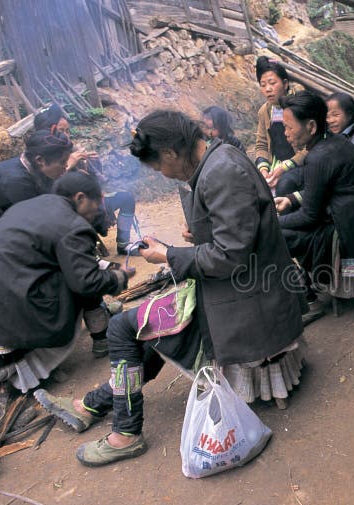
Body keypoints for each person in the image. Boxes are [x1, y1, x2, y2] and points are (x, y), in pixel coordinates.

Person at [35, 110, 306, 466]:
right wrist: (198, 237)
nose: (162, 174)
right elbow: (241, 231)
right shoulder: (219, 159)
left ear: (169, 153)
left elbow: (231, 257)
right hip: (235, 292)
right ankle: (95, 404)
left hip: (245, 302)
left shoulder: (220, 171)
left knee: (121, 326)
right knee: (141, 328)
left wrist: (169, 255)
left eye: (158, 167)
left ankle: (125, 432)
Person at [0, 171, 132, 404]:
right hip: (13, 309)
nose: (98, 210)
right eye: (96, 203)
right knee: (82, 275)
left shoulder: (33, 204)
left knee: (77, 268)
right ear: (80, 198)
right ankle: (102, 338)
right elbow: (86, 282)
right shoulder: (73, 225)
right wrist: (117, 278)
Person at [275, 91, 354, 304]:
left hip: (350, 232)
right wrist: (291, 200)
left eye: (289, 127)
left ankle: (306, 295)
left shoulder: (318, 157)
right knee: (288, 208)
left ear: (311, 127)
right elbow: (324, 189)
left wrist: (272, 222)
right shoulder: (336, 142)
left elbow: (309, 217)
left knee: (276, 235)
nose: (285, 133)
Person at [33, 104, 138, 255]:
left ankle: (123, 244)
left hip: (88, 205)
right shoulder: (41, 158)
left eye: (68, 131)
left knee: (126, 198)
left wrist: (89, 163)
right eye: (61, 131)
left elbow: (94, 184)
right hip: (67, 213)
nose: (66, 135)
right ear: (48, 131)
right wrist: (69, 164)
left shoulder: (70, 150)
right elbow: (49, 192)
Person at [0, 129, 72, 232]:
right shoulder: (16, 181)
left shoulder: (34, 166)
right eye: (62, 162)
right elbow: (35, 218)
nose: (66, 166)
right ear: (40, 160)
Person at [254, 56, 306, 195]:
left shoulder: (301, 106)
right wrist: (264, 171)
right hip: (276, 165)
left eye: (272, 83)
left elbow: (312, 146)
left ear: (285, 83)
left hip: (301, 163)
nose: (268, 89)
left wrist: (285, 167)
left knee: (285, 186)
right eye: (263, 85)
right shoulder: (264, 111)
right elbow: (262, 144)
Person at [326, 92, 354, 171]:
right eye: (327, 117)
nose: (330, 120)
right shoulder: (330, 139)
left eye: (336, 115)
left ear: (350, 115)